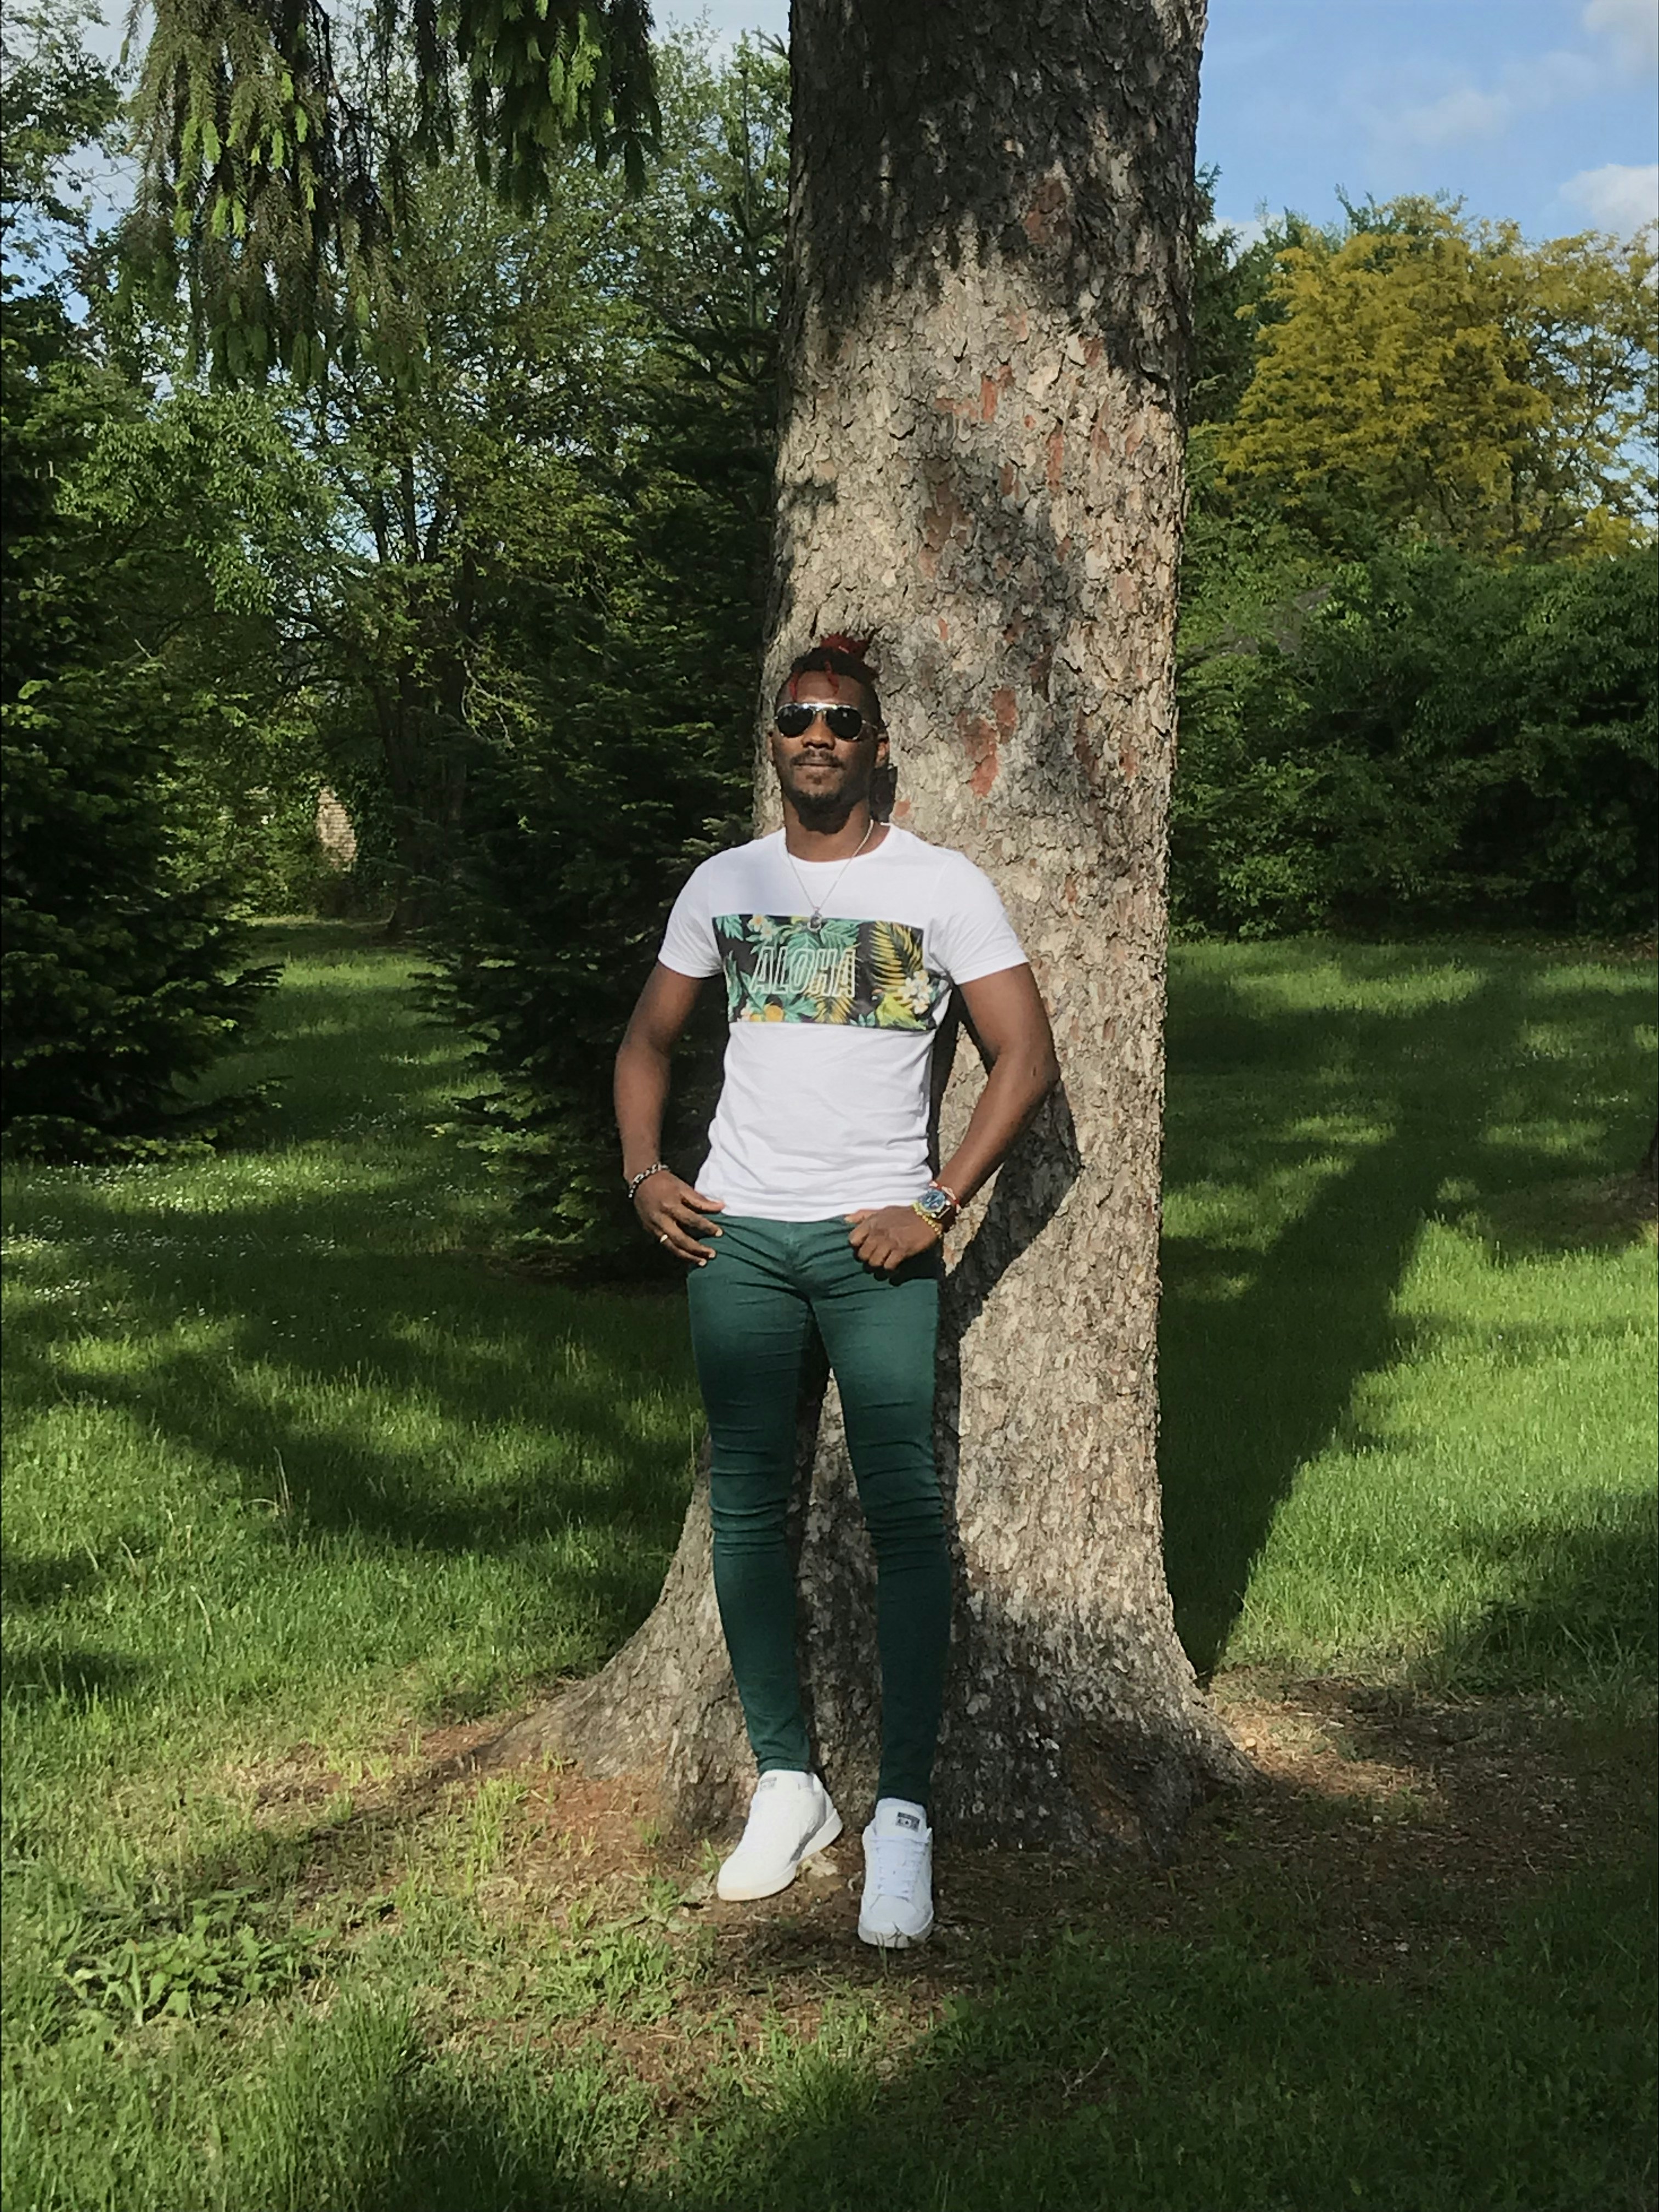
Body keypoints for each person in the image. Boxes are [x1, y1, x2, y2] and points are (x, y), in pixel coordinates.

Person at [613, 634, 1058, 1948]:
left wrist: (934, 1205)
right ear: (777, 744)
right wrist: (647, 1174)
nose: (819, 735)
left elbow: (1023, 1056)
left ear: (877, 748)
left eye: (843, 721)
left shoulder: (940, 885)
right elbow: (647, 1039)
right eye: (799, 717)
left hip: (878, 1249)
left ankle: (904, 1815)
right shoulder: (728, 881)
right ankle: (789, 1785)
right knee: (747, 1508)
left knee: (905, 1510)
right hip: (739, 1237)